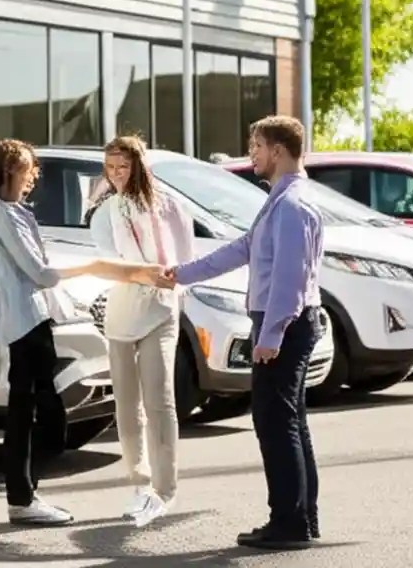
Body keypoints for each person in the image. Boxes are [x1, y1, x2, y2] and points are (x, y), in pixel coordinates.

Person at [0, 139, 161, 527]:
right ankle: (21, 497)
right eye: (27, 170)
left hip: (34, 322)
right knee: (39, 418)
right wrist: (90, 266)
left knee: (35, 415)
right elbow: (39, 273)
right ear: (9, 171)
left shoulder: (11, 213)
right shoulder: (2, 216)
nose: (32, 178)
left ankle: (24, 495)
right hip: (25, 324)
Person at [158, 116, 324, 550]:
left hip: (282, 325)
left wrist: (270, 336)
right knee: (290, 422)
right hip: (283, 322)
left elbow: (290, 279)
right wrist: (182, 274)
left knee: (275, 423)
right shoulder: (280, 201)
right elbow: (241, 250)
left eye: (257, 145)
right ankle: (301, 518)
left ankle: (289, 524)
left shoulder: (291, 205)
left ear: (279, 151)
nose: (252, 153)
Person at [86, 135, 195, 527]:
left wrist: (172, 289)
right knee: (126, 405)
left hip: (161, 307)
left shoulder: (169, 206)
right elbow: (110, 262)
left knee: (159, 398)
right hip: (123, 309)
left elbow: (185, 261)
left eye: (124, 167)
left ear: (140, 166)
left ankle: (164, 489)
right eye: (110, 168)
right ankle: (139, 482)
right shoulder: (105, 212)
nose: (116, 175)